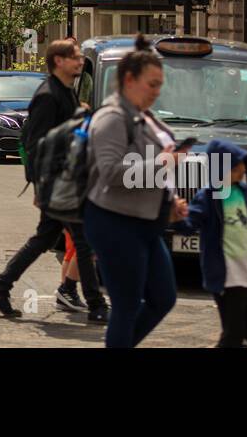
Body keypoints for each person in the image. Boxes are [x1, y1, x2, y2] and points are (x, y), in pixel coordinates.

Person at [0, 38, 109, 324]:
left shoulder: (64, 92)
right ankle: (95, 303)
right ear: (59, 62)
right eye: (75, 57)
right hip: (58, 183)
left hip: (64, 180)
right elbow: (34, 143)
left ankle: (0, 288)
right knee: (84, 239)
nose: (80, 61)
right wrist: (40, 185)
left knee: (44, 240)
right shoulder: (48, 95)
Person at [82, 36, 188, 347]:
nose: (157, 92)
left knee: (163, 298)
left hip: (144, 223)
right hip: (114, 223)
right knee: (127, 306)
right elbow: (113, 172)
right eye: (151, 84)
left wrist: (169, 202)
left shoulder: (142, 117)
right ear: (130, 80)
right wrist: (162, 162)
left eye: (160, 85)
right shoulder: (112, 118)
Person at [172, 140, 247, 347]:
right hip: (226, 274)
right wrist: (176, 217)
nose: (240, 170)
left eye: (241, 166)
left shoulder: (245, 193)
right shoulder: (208, 197)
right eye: (235, 166)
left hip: (246, 273)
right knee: (234, 331)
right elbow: (190, 225)